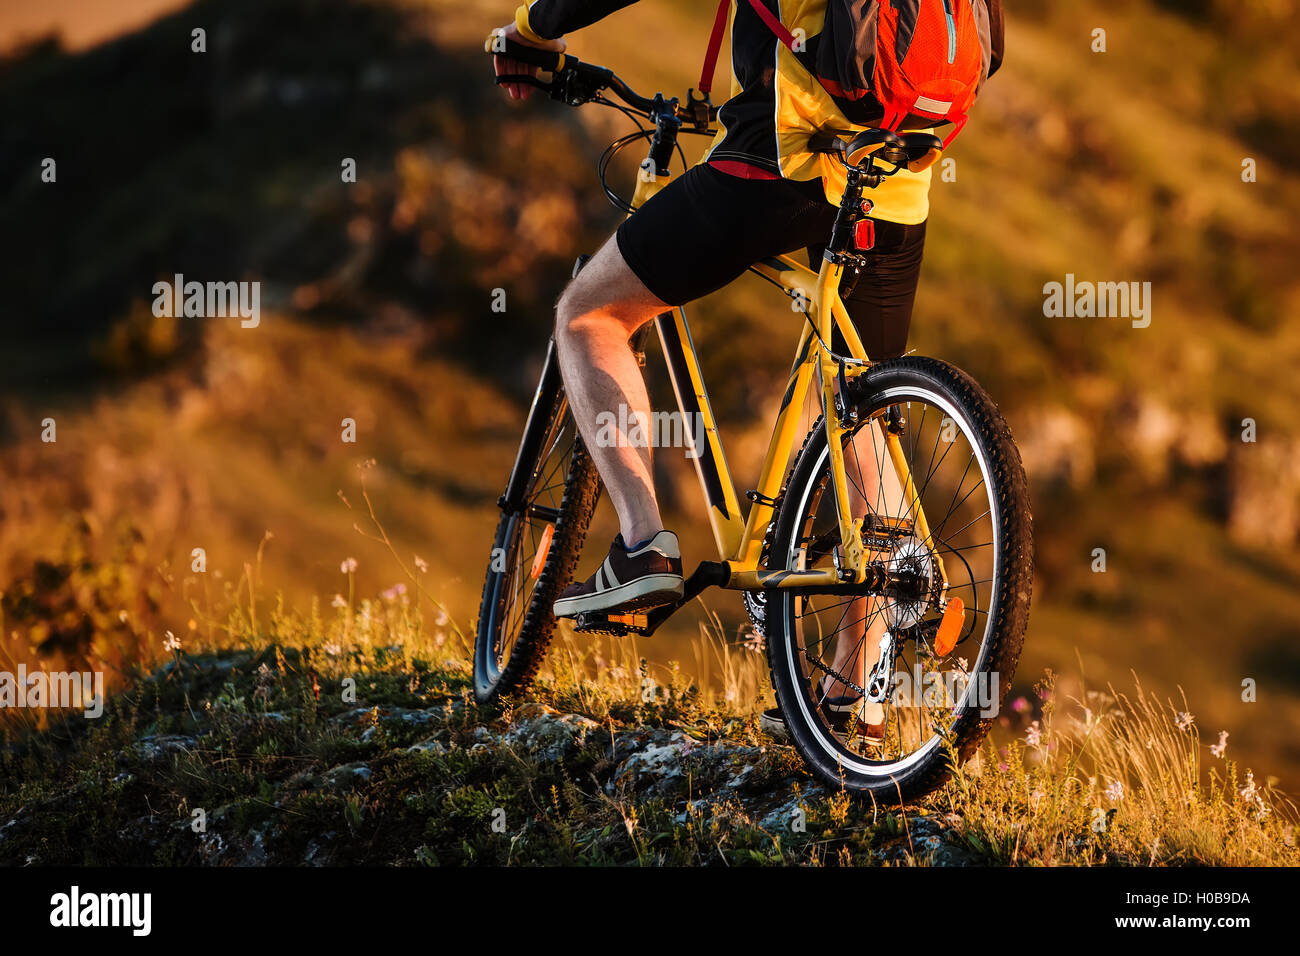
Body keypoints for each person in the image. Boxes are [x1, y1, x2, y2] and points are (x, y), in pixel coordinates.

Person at [492, 1, 1003, 734]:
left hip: (783, 160)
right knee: (855, 397)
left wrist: (534, 29)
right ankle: (853, 696)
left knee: (589, 313)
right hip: (899, 180)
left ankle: (642, 549)